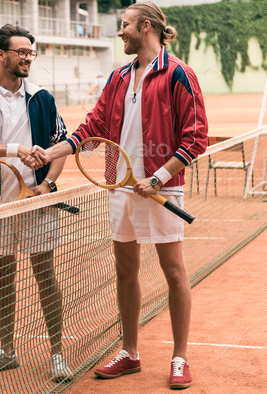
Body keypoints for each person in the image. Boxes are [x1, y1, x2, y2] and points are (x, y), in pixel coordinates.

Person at [23, 2, 208, 389]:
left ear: (144, 27)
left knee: (173, 272)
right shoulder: (118, 77)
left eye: (124, 26)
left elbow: (195, 138)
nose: (119, 32)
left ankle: (179, 358)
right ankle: (130, 352)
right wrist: (51, 151)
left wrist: (156, 179)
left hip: (163, 187)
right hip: (119, 186)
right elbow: (92, 126)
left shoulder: (179, 74)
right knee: (126, 271)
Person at [0, 24, 73, 383]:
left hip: (36, 202)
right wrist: (14, 150)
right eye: (21, 52)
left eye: (30, 52)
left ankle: (57, 354)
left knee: (45, 275)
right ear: (0, 55)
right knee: (3, 274)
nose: (27, 58)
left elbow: (60, 144)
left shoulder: (42, 97)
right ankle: (7, 350)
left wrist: (48, 184)